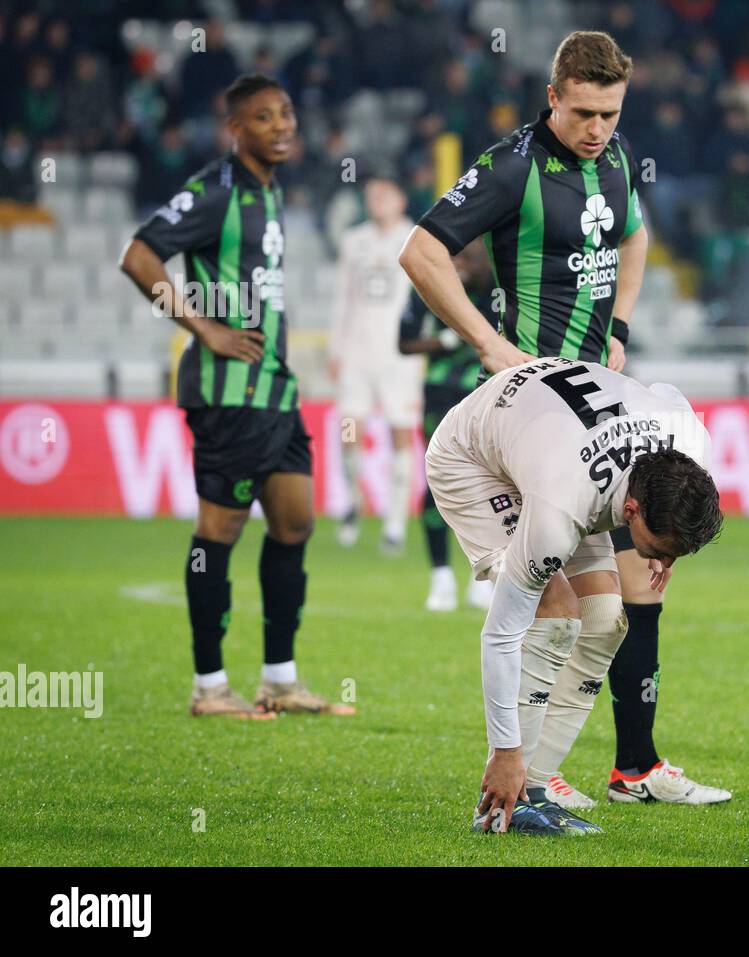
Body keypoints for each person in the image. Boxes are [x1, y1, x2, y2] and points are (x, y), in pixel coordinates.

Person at [400, 30, 732, 809]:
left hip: (598, 412)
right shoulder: (512, 165)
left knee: (633, 594)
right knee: (567, 605)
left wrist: (618, 327)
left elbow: (637, 236)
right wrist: (487, 343)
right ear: (553, 95)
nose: (597, 129)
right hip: (533, 430)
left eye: (610, 113)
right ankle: (537, 769)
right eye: (582, 111)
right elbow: (420, 250)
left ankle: (628, 765)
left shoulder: (614, 159)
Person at [119, 74, 353, 719]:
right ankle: (209, 686)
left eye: (285, 114)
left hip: (275, 388)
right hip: (229, 395)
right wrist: (205, 329)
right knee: (218, 531)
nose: (281, 126)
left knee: (296, 522)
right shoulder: (214, 192)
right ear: (236, 129)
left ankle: (279, 679)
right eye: (262, 117)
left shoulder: (269, 193)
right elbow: (139, 256)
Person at [424, 357, 723, 834]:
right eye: (665, 548)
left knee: (605, 618)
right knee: (556, 610)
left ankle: (535, 790)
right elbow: (500, 635)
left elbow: (666, 388)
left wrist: (668, 550)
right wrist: (505, 752)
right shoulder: (559, 508)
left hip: (551, 440)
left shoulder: (690, 444)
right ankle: (508, 793)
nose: (667, 561)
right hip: (474, 460)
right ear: (631, 510)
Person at [329, 174, 424, 554]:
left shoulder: (417, 237)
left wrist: (420, 353)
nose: (377, 201)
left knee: (401, 432)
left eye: (385, 193)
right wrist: (335, 348)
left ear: (401, 198)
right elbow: (342, 297)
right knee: (350, 431)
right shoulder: (354, 241)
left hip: (399, 357)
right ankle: (352, 503)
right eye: (371, 195)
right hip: (357, 354)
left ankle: (395, 522)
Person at [397, 243, 494, 613]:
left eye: (467, 258)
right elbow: (403, 343)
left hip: (487, 392)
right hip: (440, 393)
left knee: (491, 483)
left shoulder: (502, 286)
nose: (459, 266)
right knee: (438, 481)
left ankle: (482, 577)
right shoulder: (430, 282)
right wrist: (444, 341)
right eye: (453, 258)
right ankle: (441, 577)